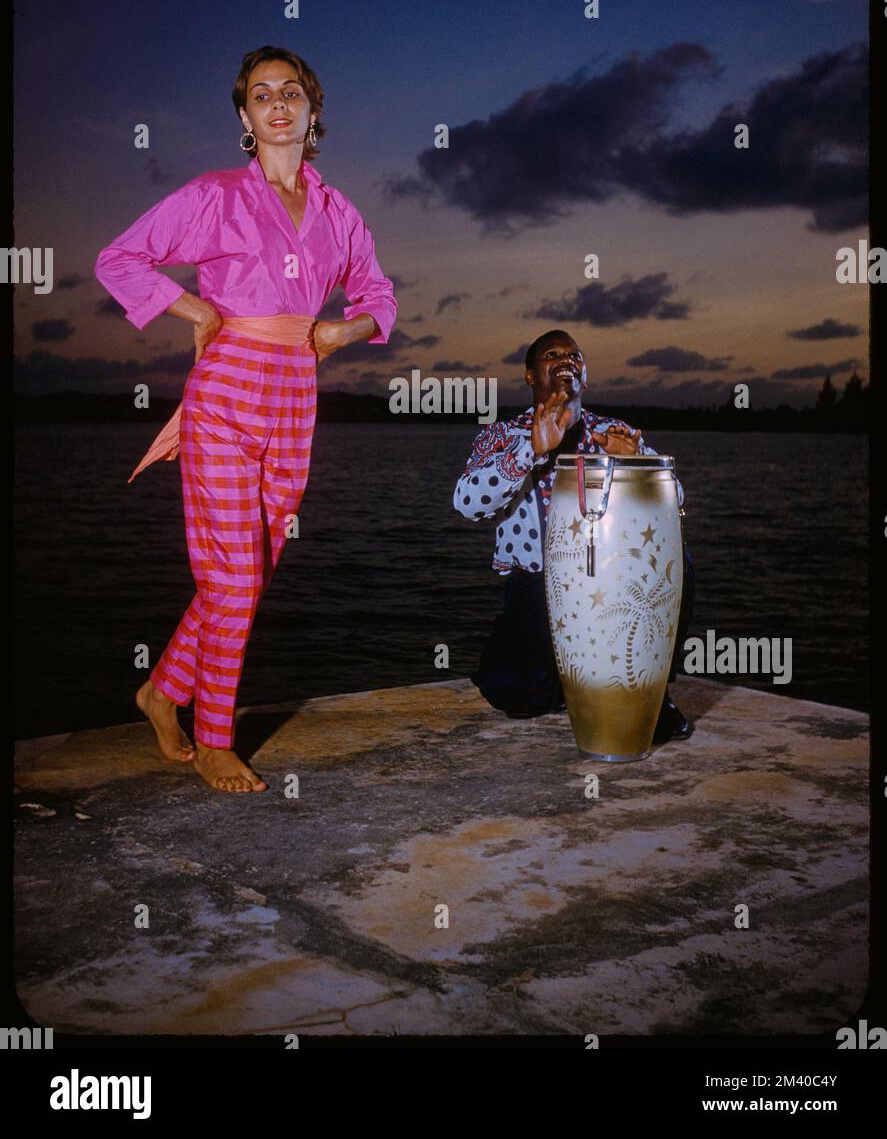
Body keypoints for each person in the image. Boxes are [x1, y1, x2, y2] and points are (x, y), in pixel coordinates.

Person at [94, 45, 397, 793]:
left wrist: (338, 332)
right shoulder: (216, 195)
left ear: (312, 110)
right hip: (225, 394)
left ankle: (161, 690)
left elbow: (379, 298)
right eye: (261, 95)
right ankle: (214, 736)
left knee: (250, 574)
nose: (277, 104)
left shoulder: (337, 212)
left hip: (295, 395)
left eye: (290, 91)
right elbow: (119, 259)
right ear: (245, 117)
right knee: (229, 577)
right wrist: (194, 305)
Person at [453, 330, 694, 740]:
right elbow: (467, 503)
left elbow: (676, 500)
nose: (566, 359)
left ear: (585, 371)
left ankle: (654, 694)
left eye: (574, 354)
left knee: (679, 561)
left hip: (613, 580)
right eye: (552, 354)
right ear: (531, 375)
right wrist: (530, 449)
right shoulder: (502, 436)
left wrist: (637, 464)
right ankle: (568, 684)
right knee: (515, 693)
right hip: (540, 582)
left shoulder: (612, 429)